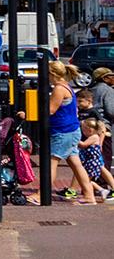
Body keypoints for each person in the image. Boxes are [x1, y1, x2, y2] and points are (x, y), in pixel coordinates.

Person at [46, 63, 99, 204]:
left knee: (52, 161)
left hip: (63, 131)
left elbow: (50, 110)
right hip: (71, 130)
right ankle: (89, 196)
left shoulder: (59, 89)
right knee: (76, 164)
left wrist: (29, 113)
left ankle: (41, 194)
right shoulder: (66, 86)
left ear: (52, 74)